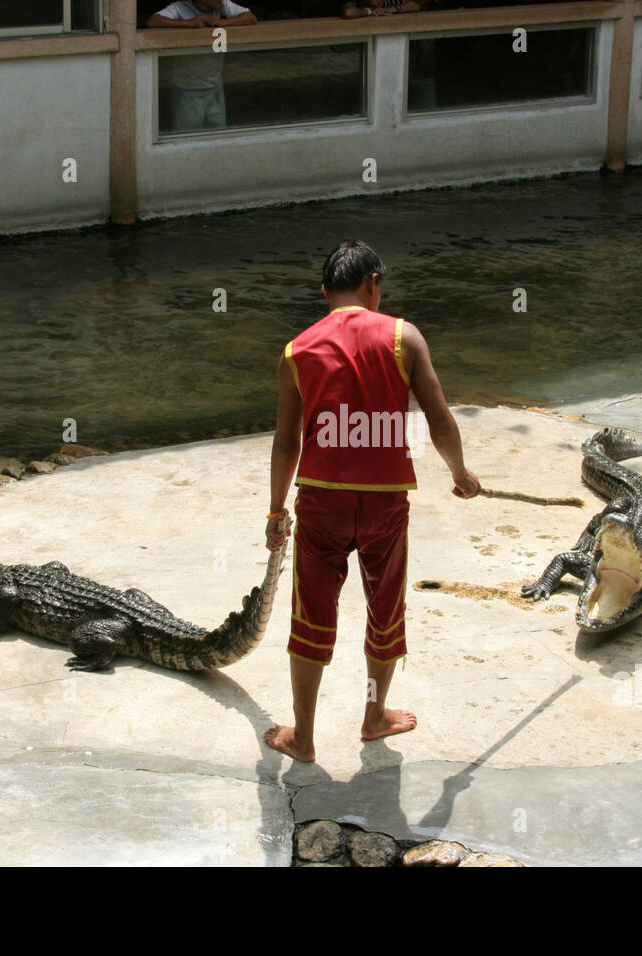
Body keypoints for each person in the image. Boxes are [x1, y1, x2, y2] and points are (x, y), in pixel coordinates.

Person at [263, 240, 481, 763]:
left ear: (325, 292)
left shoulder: (297, 350)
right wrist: (460, 473)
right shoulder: (405, 338)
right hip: (385, 505)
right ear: (373, 283)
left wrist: (276, 510)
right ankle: (373, 715)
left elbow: (287, 441)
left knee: (311, 614)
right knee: (385, 610)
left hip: (321, 503)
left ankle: (306, 735)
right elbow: (439, 419)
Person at [147, 0, 257, 131]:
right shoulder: (180, 7)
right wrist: (188, 24)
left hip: (215, 88)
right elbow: (154, 21)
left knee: (218, 137)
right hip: (188, 92)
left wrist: (223, 22)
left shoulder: (222, 5)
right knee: (186, 138)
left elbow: (250, 17)